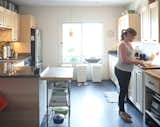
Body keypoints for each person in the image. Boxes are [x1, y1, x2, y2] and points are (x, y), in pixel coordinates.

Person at [114, 28, 146, 123]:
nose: (133, 37)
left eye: (134, 36)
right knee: (123, 90)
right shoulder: (122, 45)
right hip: (121, 70)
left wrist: (136, 61)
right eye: (132, 36)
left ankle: (122, 110)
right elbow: (124, 60)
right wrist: (138, 61)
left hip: (127, 70)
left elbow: (130, 57)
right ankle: (121, 111)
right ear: (126, 35)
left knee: (124, 90)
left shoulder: (129, 44)